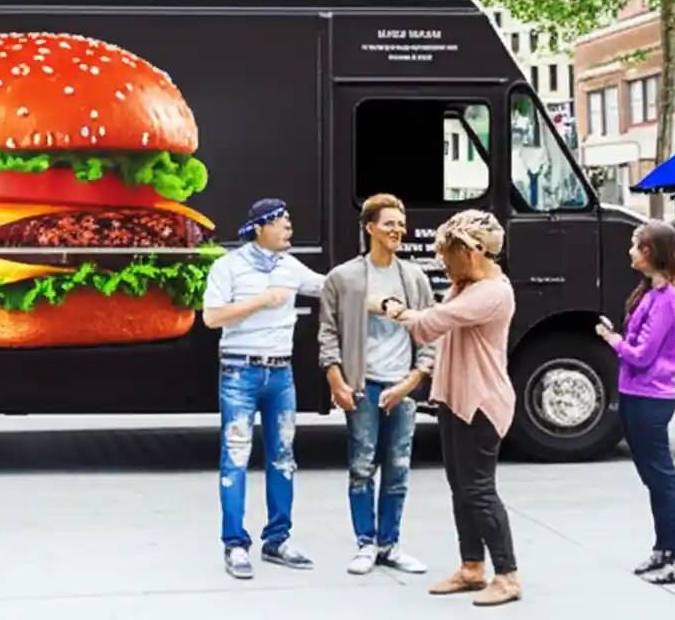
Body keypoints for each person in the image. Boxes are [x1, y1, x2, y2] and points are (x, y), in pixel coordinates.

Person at [390, 209, 522, 607]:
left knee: (479, 490)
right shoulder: (466, 285)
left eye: (449, 253)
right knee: (460, 489)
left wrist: (399, 312)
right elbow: (434, 317)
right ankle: (470, 568)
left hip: (480, 402)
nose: (443, 261)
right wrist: (409, 312)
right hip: (454, 398)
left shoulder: (491, 293)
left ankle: (508, 575)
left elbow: (431, 324)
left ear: (474, 251)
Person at [202, 198, 326, 579]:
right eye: (282, 222)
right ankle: (235, 545)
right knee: (235, 459)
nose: (289, 227)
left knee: (283, 457)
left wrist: (381, 299)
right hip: (240, 373)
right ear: (260, 227)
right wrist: (259, 301)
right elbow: (211, 317)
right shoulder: (228, 266)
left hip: (281, 375)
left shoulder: (289, 267)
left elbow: (328, 287)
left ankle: (277, 539)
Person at [317, 193, 436, 575]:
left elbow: (430, 332)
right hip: (363, 383)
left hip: (401, 383)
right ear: (369, 228)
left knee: (399, 467)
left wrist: (415, 379)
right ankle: (365, 543)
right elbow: (328, 334)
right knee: (362, 465)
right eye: (389, 224)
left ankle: (390, 543)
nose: (398, 230)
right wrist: (337, 380)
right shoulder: (344, 277)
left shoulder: (413, 276)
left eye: (401, 224)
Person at [594, 220, 675, 585]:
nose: (630, 252)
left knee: (662, 476)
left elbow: (641, 355)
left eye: (636, 245)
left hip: (652, 396)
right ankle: (664, 547)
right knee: (653, 477)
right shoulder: (650, 294)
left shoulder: (667, 299)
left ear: (650, 252)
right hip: (636, 393)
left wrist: (612, 339)